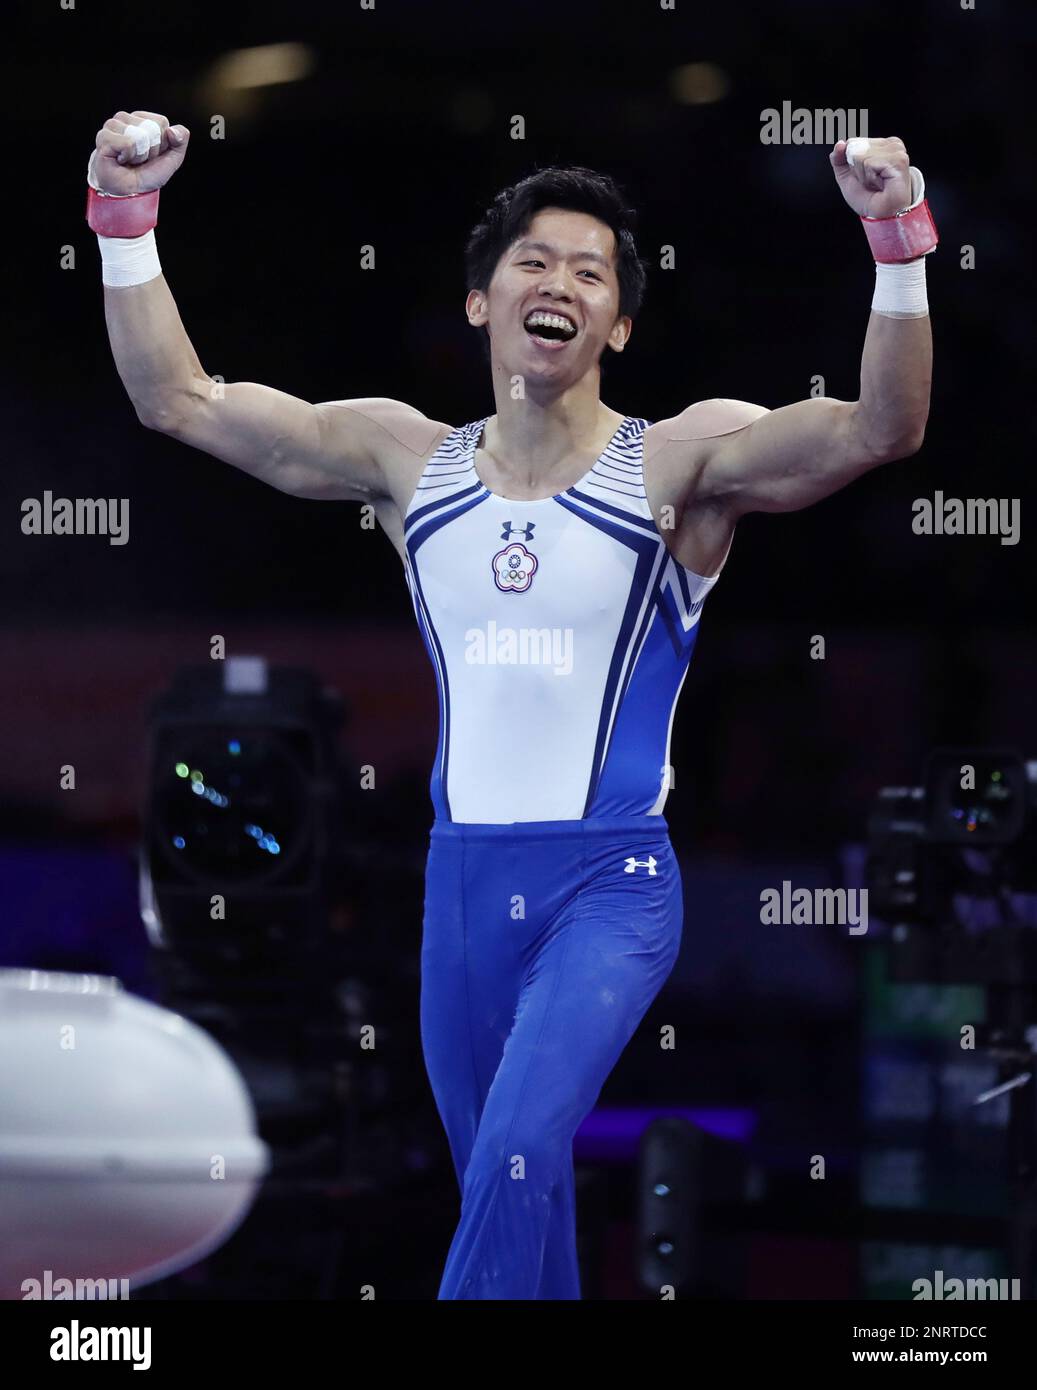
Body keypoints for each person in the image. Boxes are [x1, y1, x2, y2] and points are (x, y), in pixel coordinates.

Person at [88, 110, 934, 1298]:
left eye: (591, 272)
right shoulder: (403, 461)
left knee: (524, 1147)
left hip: (610, 885)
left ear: (619, 325)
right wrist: (124, 223)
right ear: (482, 302)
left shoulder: (679, 463)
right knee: (501, 1180)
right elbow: (177, 399)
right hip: (462, 886)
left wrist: (894, 240)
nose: (561, 282)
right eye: (532, 261)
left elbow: (879, 427)